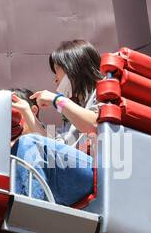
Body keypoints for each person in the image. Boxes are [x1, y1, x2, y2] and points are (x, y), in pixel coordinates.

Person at [11, 40, 101, 206]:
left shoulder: (101, 91)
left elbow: (95, 125)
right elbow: (48, 144)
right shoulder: (75, 107)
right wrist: (26, 110)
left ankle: (29, 212)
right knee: (24, 148)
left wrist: (57, 100)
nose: (55, 80)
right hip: (73, 170)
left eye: (57, 72)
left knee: (27, 142)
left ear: (73, 67)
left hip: (96, 172)